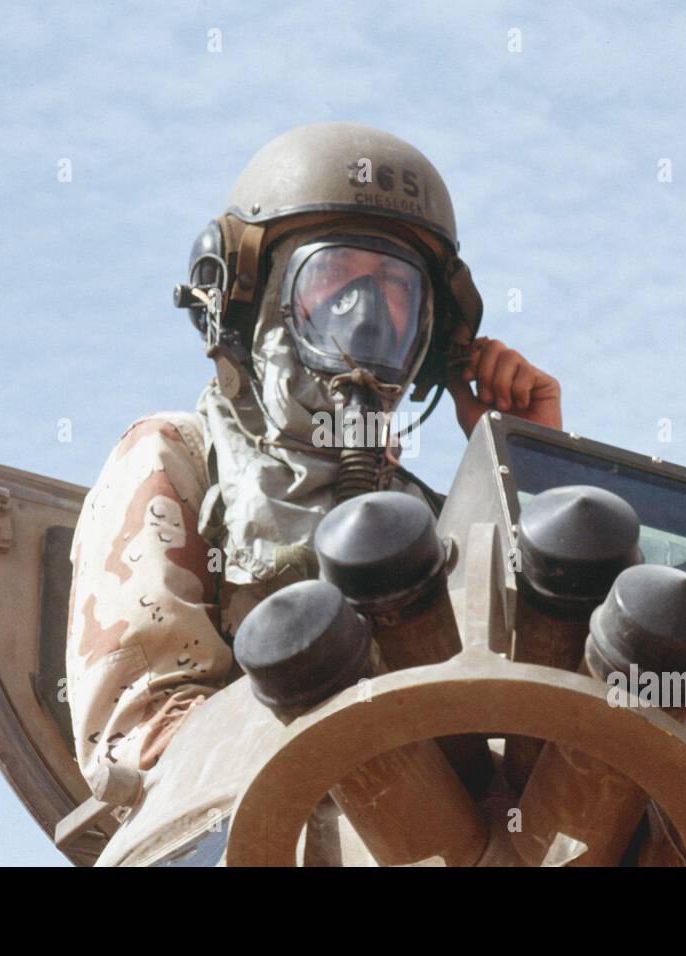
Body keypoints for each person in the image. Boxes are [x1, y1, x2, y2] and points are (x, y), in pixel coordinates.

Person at [64, 122, 561, 791]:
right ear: (254, 299)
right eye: (333, 276)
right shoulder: (176, 458)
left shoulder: (436, 519)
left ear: (429, 329)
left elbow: (559, 708)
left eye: (393, 286)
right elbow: (142, 740)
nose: (364, 310)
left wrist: (527, 463)